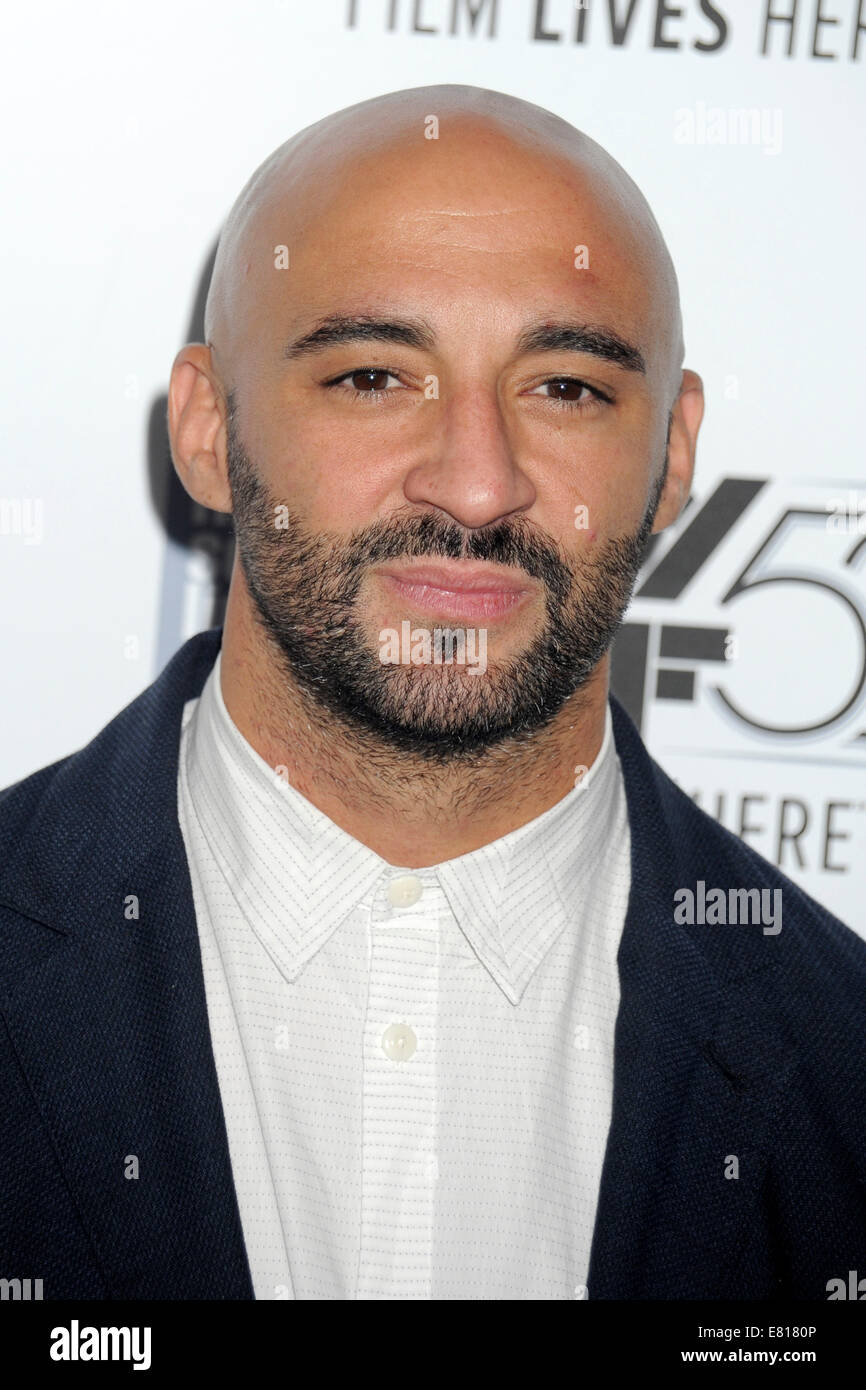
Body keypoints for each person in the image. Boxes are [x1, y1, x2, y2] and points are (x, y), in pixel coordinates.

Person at [1, 84, 864, 1302]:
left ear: (670, 455)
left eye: (564, 386)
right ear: (208, 426)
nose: (473, 485)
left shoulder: (840, 1063)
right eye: (371, 376)